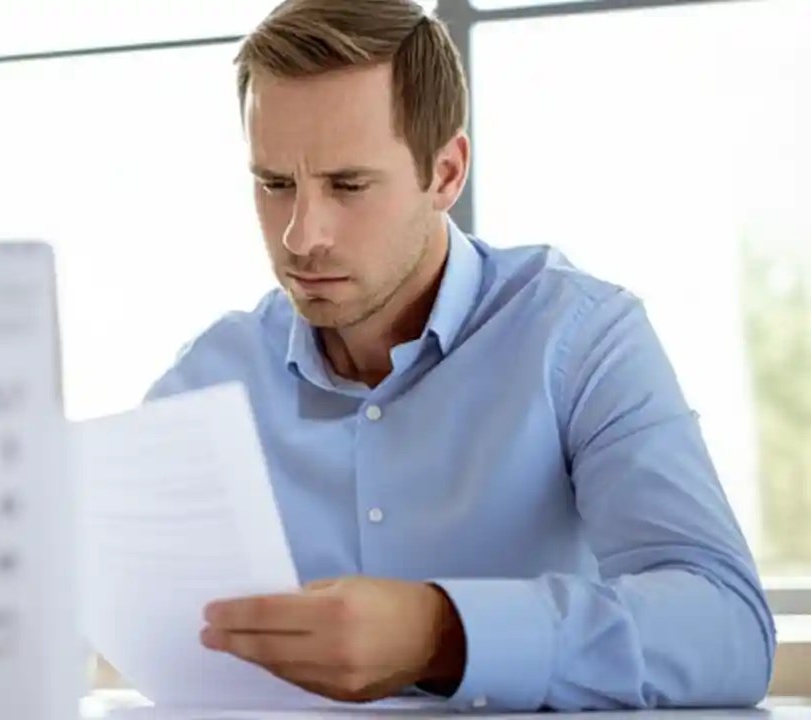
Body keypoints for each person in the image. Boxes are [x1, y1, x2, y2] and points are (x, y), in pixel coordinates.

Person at [143, 0, 776, 712]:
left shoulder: (582, 339)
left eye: (348, 185)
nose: (301, 234)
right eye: (274, 184)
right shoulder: (206, 382)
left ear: (445, 173)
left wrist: (444, 633)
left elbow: (729, 630)